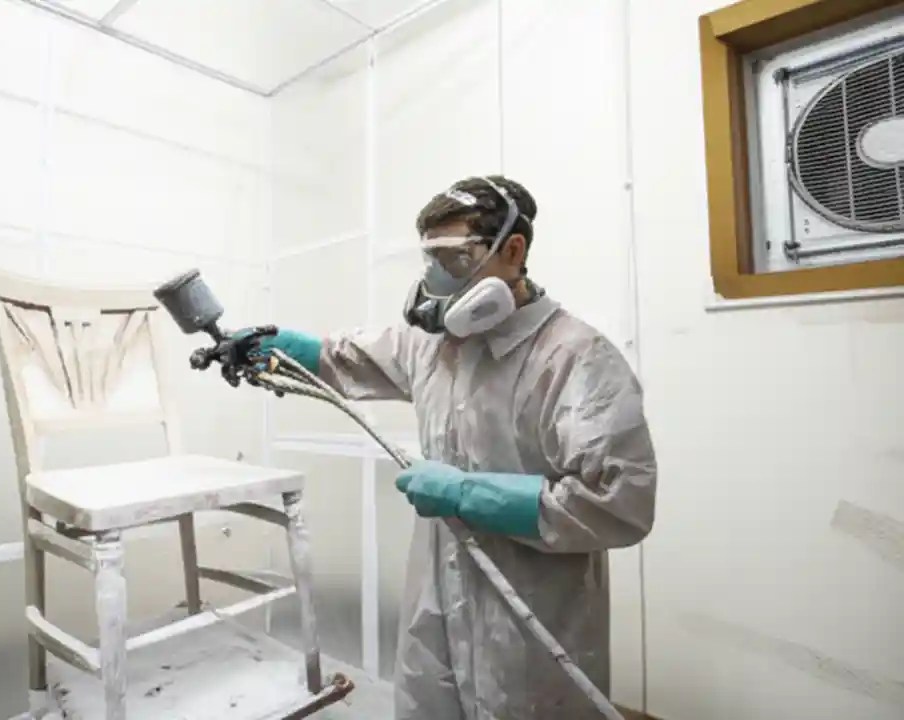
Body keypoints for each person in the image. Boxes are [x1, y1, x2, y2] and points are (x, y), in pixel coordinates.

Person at [254, 176, 657, 719]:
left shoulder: (576, 357)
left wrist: (471, 494)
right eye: (430, 258)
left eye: (456, 258)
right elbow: (345, 358)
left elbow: (620, 502)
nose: (436, 277)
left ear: (513, 251)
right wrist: (280, 348)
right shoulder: (434, 343)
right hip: (438, 591)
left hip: (533, 603)